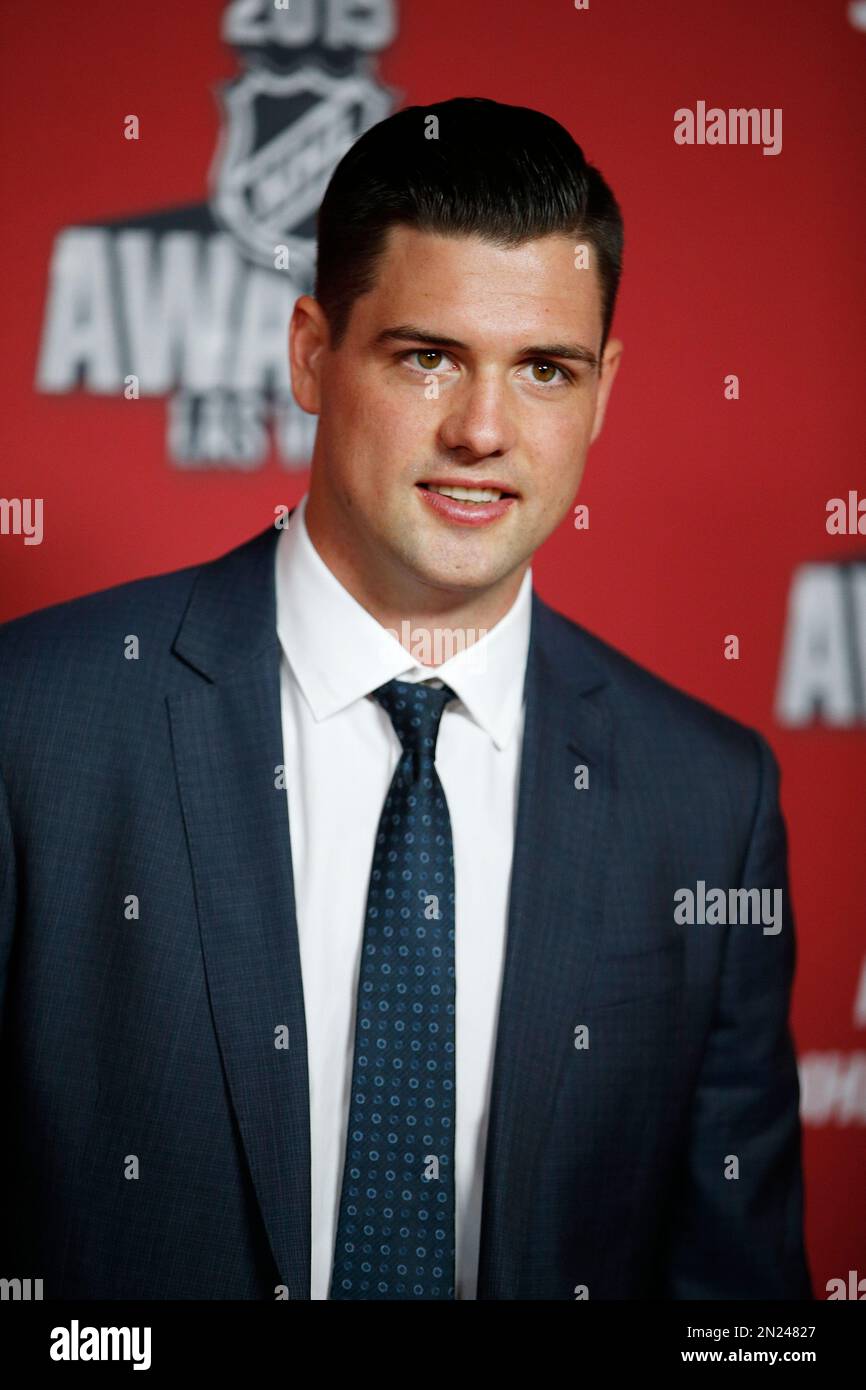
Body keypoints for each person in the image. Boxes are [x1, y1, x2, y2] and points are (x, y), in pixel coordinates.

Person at [0, 96, 812, 1300]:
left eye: (544, 369)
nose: (483, 429)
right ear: (311, 355)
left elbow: (735, 1308)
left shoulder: (707, 800)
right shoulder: (34, 725)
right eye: (426, 356)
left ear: (602, 390)